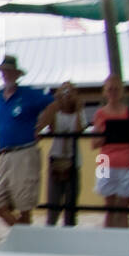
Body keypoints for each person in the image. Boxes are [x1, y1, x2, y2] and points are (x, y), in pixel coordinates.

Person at [0, 55, 56, 226]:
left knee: (24, 206)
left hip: (24, 152)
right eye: (4, 72)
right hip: (4, 154)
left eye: (9, 72)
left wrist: (40, 127)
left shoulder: (28, 94)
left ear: (17, 75)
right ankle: (24, 236)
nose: (6, 75)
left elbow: (54, 103)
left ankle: (24, 240)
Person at [91, 74, 129, 228]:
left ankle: (123, 242)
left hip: (127, 161)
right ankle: (108, 242)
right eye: (110, 89)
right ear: (105, 92)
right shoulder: (100, 114)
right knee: (109, 207)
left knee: (124, 207)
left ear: (122, 91)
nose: (113, 92)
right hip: (105, 161)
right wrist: (108, 135)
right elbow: (94, 143)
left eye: (116, 89)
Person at [41, 82, 83, 227]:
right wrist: (55, 104)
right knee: (53, 206)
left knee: (71, 208)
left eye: (71, 91)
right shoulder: (55, 111)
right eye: (64, 91)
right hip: (56, 161)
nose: (67, 95)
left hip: (73, 162)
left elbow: (79, 129)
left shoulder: (79, 112)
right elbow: (43, 124)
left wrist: (77, 107)